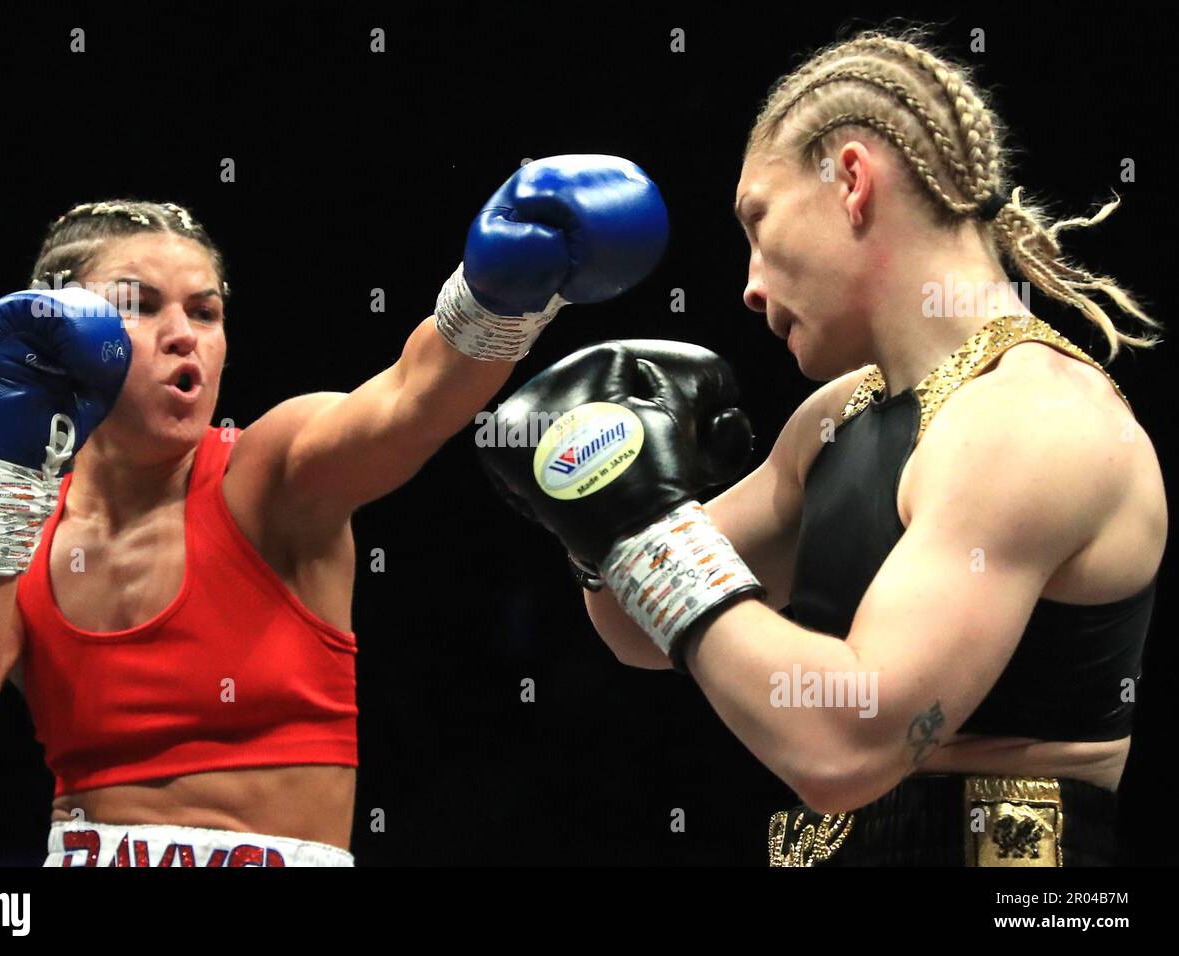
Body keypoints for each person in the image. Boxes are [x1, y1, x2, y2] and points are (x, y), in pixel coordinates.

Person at [480, 27, 1166, 866]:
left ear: (851, 180)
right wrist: (604, 506)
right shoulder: (838, 417)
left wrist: (652, 528)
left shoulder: (1032, 419)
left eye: (758, 222)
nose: (749, 282)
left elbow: (848, 746)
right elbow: (636, 627)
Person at [0, 158, 669, 866]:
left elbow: (408, 400)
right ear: (53, 332)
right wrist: (5, 467)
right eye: (140, 308)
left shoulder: (270, 475)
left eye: (204, 312)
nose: (181, 338)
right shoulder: (11, 527)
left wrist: (500, 296)